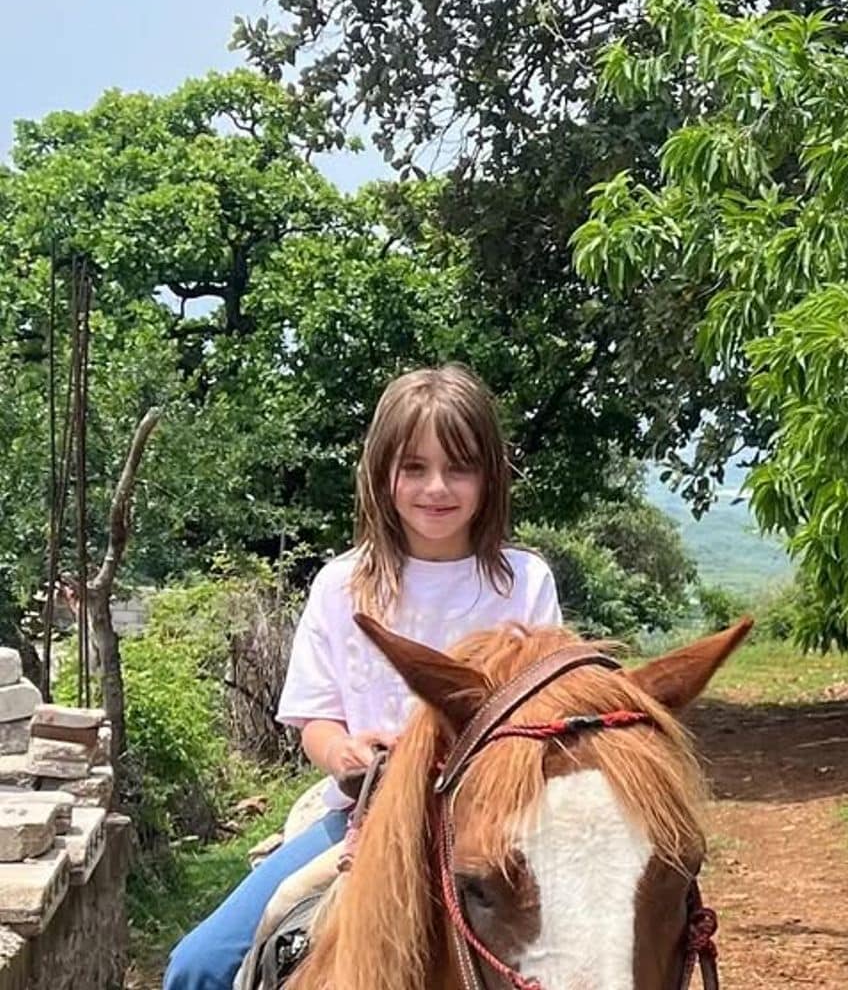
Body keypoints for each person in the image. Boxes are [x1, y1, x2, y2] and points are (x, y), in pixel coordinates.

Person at [164, 363, 562, 990]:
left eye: (459, 467)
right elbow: (315, 720)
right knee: (199, 966)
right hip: (362, 819)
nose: (437, 487)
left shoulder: (524, 582)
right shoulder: (342, 585)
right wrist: (345, 752)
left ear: (490, 478)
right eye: (415, 468)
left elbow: (547, 719)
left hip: (495, 835)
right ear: (382, 474)